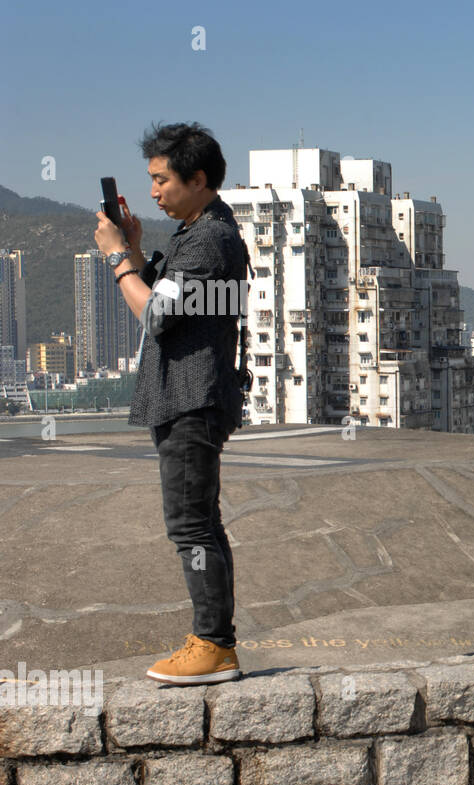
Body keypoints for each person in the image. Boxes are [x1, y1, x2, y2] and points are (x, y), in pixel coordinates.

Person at [93, 121, 248, 684]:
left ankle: (212, 644)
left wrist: (117, 260)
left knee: (190, 526)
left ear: (198, 178)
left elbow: (154, 316)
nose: (154, 191)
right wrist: (135, 248)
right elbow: (177, 303)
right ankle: (215, 641)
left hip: (191, 398)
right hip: (192, 395)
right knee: (202, 522)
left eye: (162, 179)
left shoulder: (209, 239)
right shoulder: (207, 230)